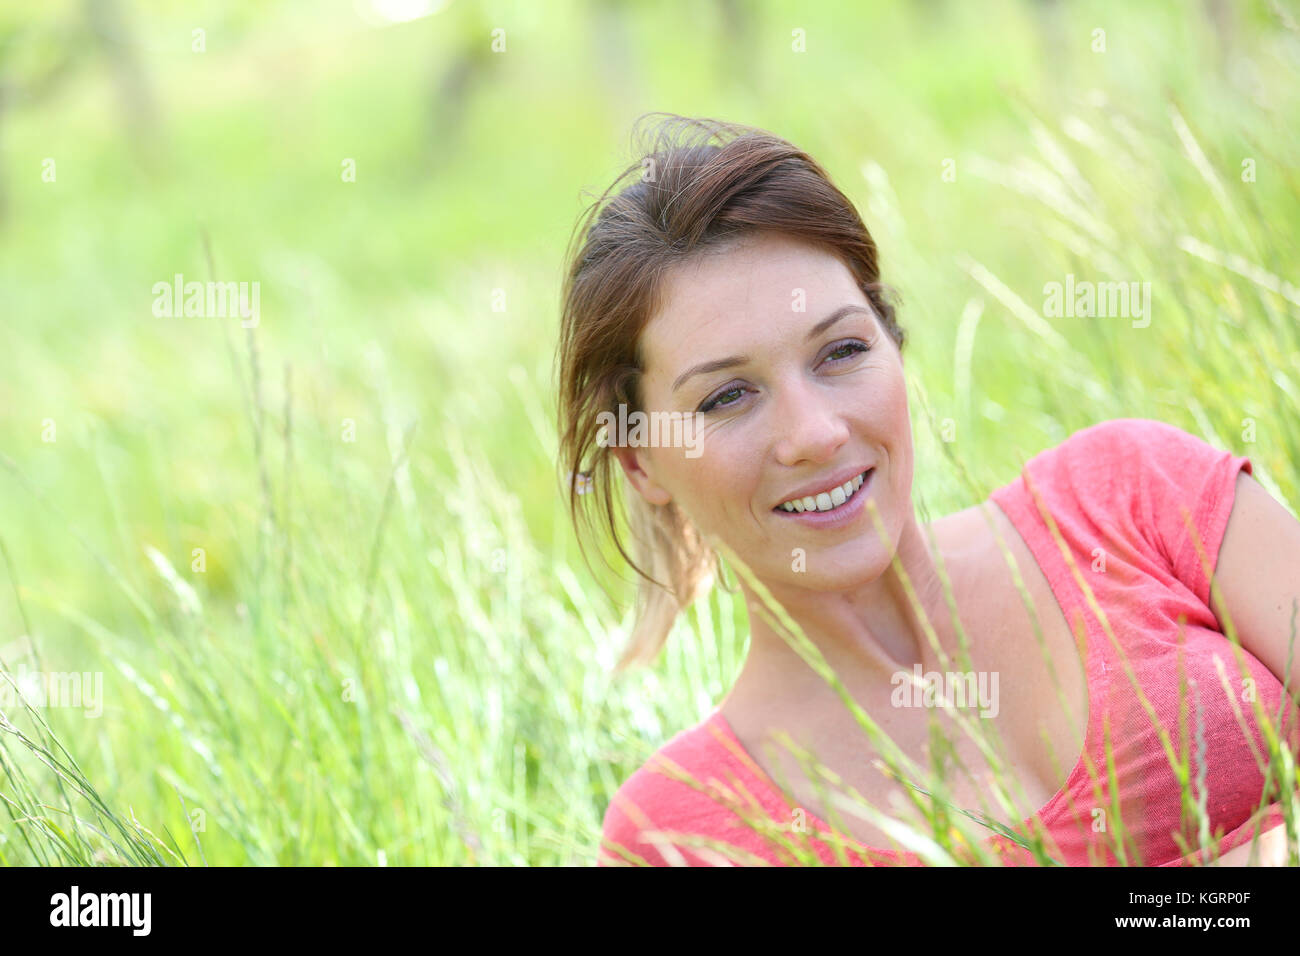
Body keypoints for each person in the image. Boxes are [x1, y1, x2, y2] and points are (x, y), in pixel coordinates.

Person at [554, 114, 1300, 866]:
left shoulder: (1127, 494)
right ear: (642, 462)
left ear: (892, 342)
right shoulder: (682, 829)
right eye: (727, 397)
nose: (815, 433)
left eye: (841, 351)